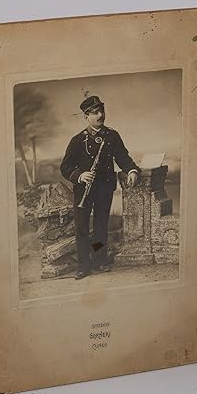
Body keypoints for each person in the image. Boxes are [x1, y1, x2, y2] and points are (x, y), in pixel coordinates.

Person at [60, 95, 140, 280]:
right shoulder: (78, 140)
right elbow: (65, 167)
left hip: (104, 188)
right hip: (83, 191)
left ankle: (99, 260)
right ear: (86, 116)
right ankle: (83, 266)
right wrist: (80, 175)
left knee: (100, 226)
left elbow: (123, 157)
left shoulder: (112, 136)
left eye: (101, 111)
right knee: (81, 227)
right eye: (94, 112)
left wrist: (132, 170)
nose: (100, 115)